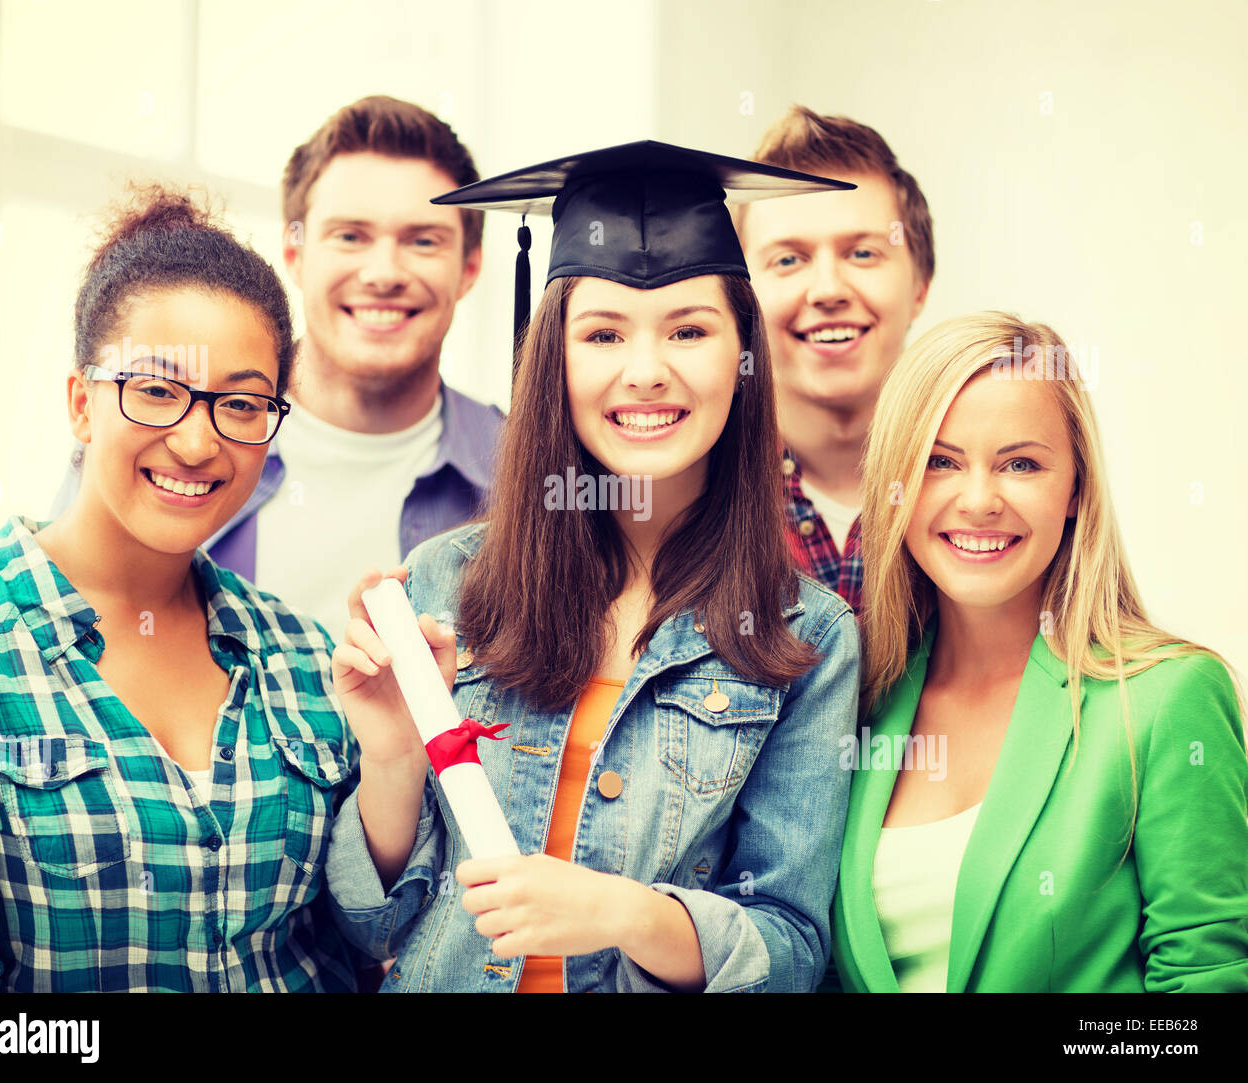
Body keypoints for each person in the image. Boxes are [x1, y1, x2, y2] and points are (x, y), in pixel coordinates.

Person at [325, 142, 861, 992]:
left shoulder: (808, 638)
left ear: (742, 357)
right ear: (555, 360)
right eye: (603, 333)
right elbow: (368, 927)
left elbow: (791, 951)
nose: (646, 372)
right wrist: (392, 756)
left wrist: (624, 913)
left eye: (690, 330)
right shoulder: (446, 584)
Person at [0, 185, 357, 992]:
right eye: (159, 390)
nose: (199, 441)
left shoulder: (304, 653)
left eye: (241, 403)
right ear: (81, 404)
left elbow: (362, 940)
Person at [830, 312, 1248, 992]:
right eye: (940, 461)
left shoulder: (1170, 697)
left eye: (1020, 463)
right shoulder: (855, 696)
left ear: (1077, 486)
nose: (978, 500)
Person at [53, 96, 504, 634]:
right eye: (350, 236)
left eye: (422, 241)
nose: (384, 273)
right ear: (295, 253)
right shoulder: (153, 440)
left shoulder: (525, 470)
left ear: (470, 267)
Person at [737, 107, 935, 616]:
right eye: (788, 259)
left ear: (920, 285)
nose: (827, 290)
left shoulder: (983, 496)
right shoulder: (684, 501)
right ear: (739, 296)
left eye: (863, 253)